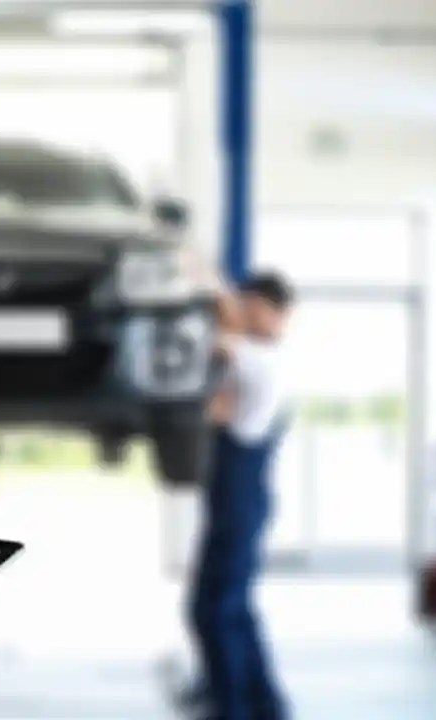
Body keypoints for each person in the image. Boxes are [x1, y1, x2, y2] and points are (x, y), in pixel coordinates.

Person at [183, 269, 295, 720]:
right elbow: (218, 405)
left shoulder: (261, 359)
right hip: (237, 500)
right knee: (234, 608)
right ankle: (264, 704)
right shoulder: (253, 357)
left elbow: (217, 342)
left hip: (241, 502)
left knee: (213, 610)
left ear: (278, 313)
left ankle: (230, 707)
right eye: (243, 307)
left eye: (253, 308)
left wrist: (205, 281)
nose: (245, 315)